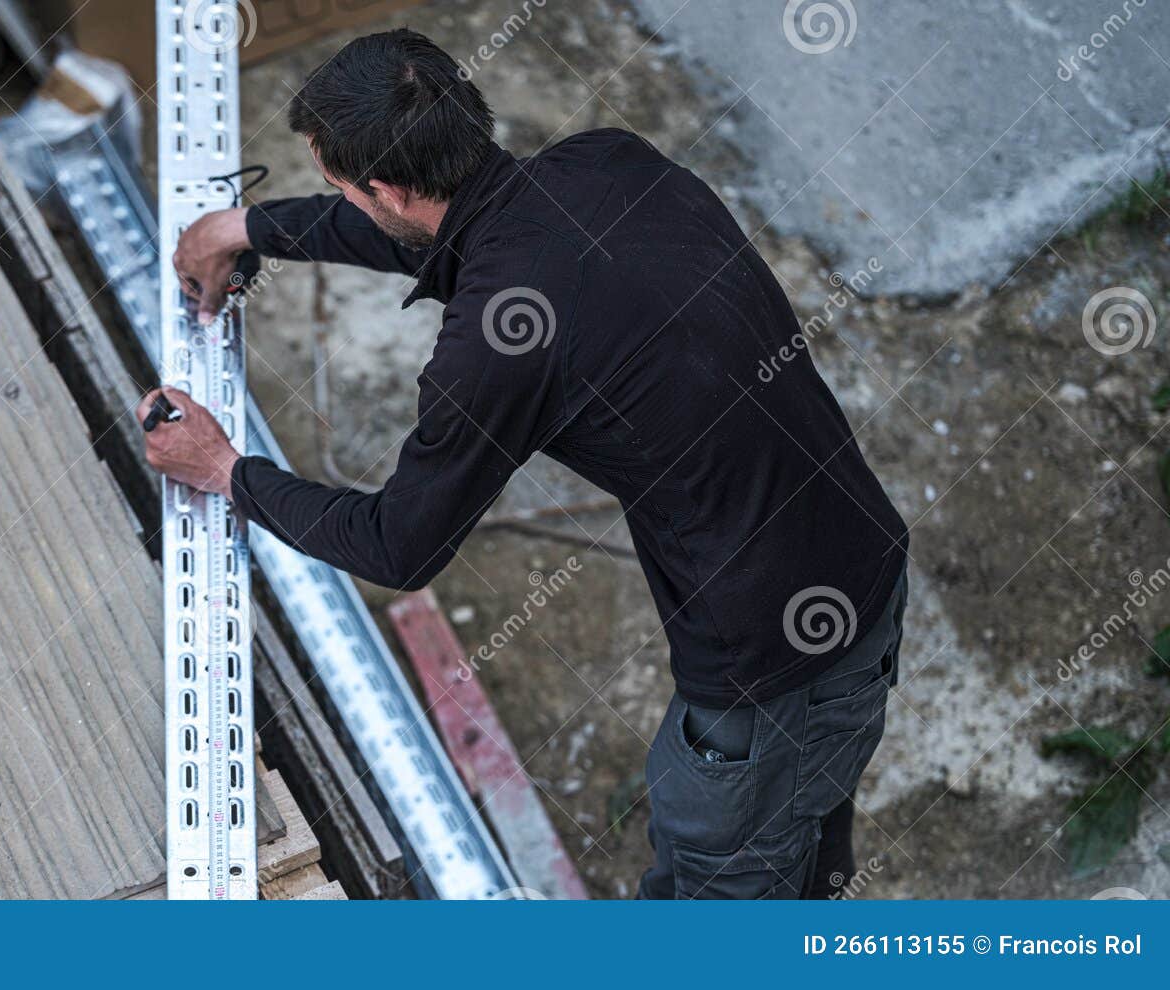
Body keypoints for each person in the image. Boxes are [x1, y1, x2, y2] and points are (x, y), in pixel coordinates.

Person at [139, 28, 909, 899]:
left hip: (777, 662)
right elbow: (430, 235)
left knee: (721, 880)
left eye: (344, 187)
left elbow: (397, 545)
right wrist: (244, 228)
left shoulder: (496, 349)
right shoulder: (606, 162)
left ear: (385, 188)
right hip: (862, 552)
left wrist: (226, 470)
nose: (346, 200)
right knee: (804, 822)